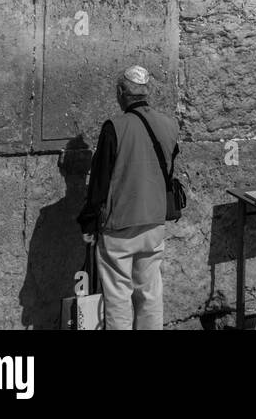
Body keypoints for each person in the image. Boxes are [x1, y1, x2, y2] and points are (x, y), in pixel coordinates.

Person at [76, 65, 179, 330]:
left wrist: (88, 221)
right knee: (150, 292)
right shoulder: (169, 125)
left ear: (122, 92)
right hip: (154, 222)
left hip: (120, 226)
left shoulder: (115, 127)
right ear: (146, 92)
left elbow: (100, 181)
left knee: (118, 296)